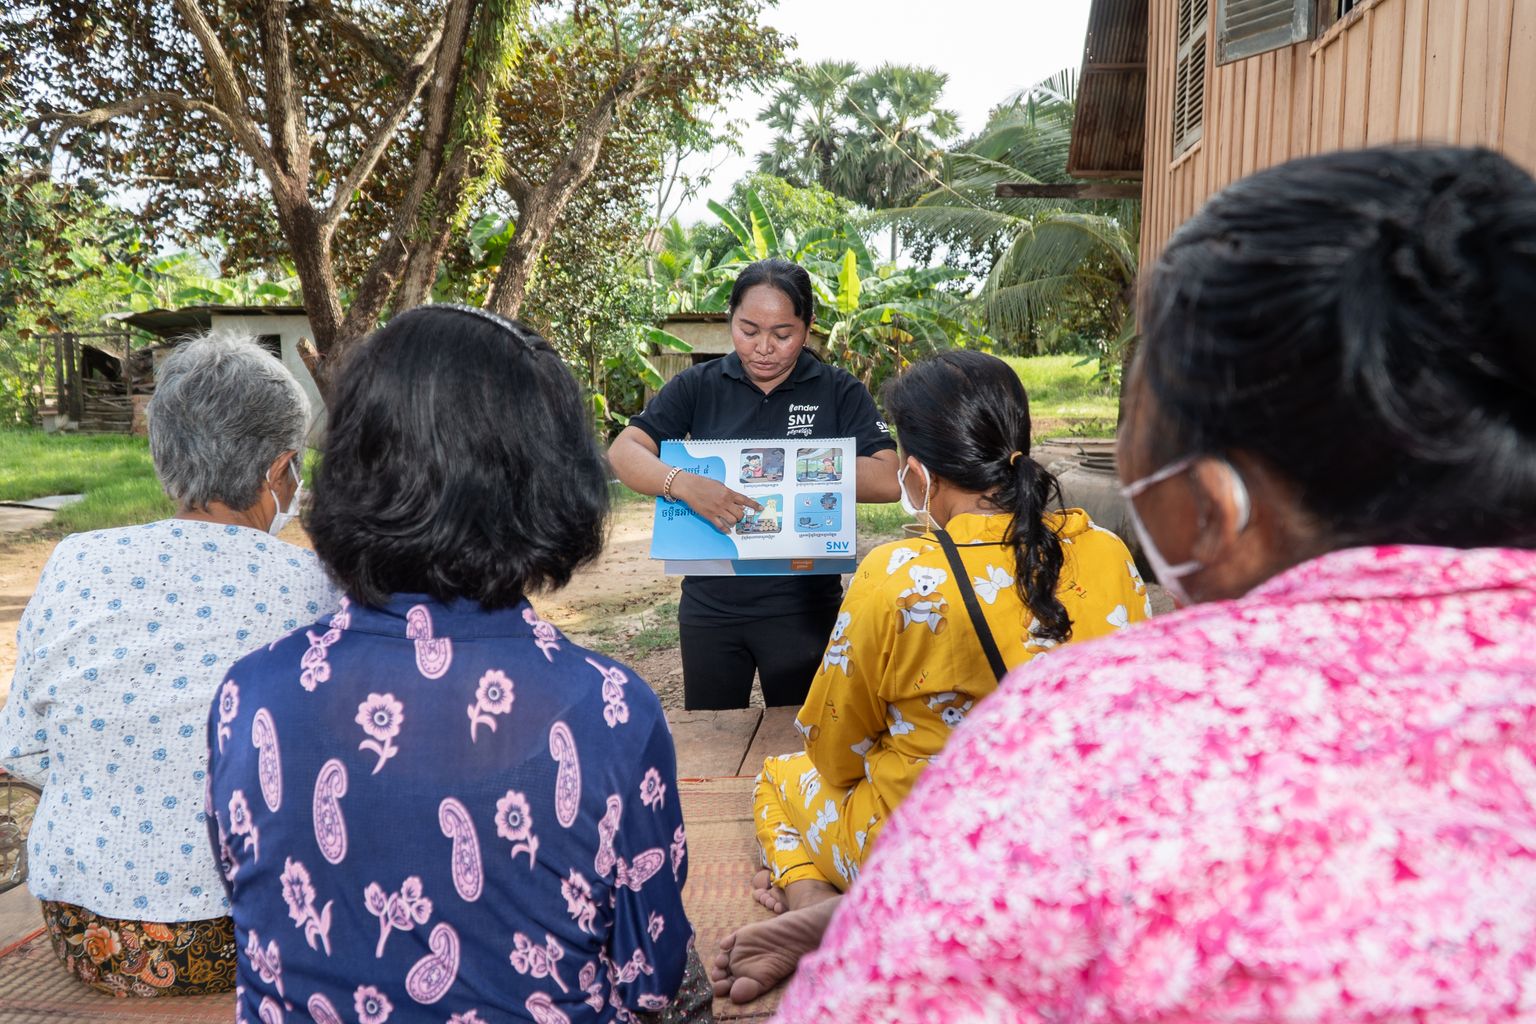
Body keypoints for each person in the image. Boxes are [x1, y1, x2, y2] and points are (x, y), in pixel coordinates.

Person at [727, 145, 1536, 1021]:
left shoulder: (1074, 740)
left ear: (1211, 505)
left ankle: (842, 904)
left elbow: (839, 764)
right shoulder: (1103, 560)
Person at [205, 305, 709, 1024]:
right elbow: (648, 978)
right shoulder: (609, 709)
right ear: (548, 478)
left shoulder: (248, 695)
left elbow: (252, 906)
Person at [716, 351, 1148, 1001]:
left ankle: (827, 904)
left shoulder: (894, 576)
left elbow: (835, 752)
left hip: (924, 846)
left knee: (781, 781)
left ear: (917, 472)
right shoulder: (1108, 552)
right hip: (1068, 843)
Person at [0, 334, 338, 996]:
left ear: (163, 455)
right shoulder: (317, 584)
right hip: (262, 926)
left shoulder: (75, 563)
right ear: (280, 470)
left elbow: (24, 751)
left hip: (92, 933)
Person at [609, 259, 900, 710]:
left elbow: (887, 478)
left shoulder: (838, 391)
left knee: (805, 739)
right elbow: (624, 451)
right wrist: (682, 483)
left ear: (808, 328)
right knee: (712, 735)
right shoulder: (698, 386)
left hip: (804, 605)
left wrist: (793, 467)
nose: (764, 347)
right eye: (748, 329)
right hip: (712, 604)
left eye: (783, 334)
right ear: (730, 317)